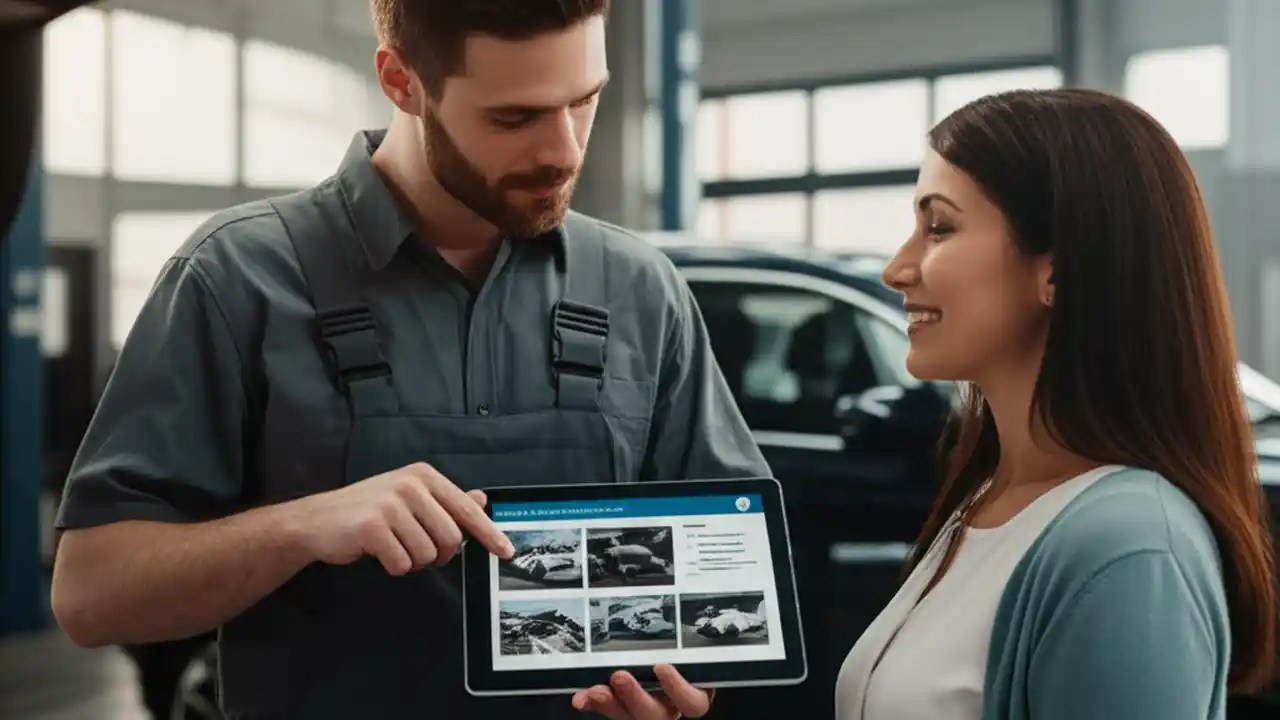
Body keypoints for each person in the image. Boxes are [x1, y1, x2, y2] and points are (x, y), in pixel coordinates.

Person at [48, 2, 752, 718]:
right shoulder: (236, 279)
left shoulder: (641, 289)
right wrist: (301, 527)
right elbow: (91, 598)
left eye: (584, 100)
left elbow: (730, 580)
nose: (565, 151)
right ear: (401, 81)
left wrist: (685, 682)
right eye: (514, 118)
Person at [831, 88, 1279, 718]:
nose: (898, 268)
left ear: (1058, 271)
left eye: (939, 227)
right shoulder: (989, 501)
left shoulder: (1127, 551)